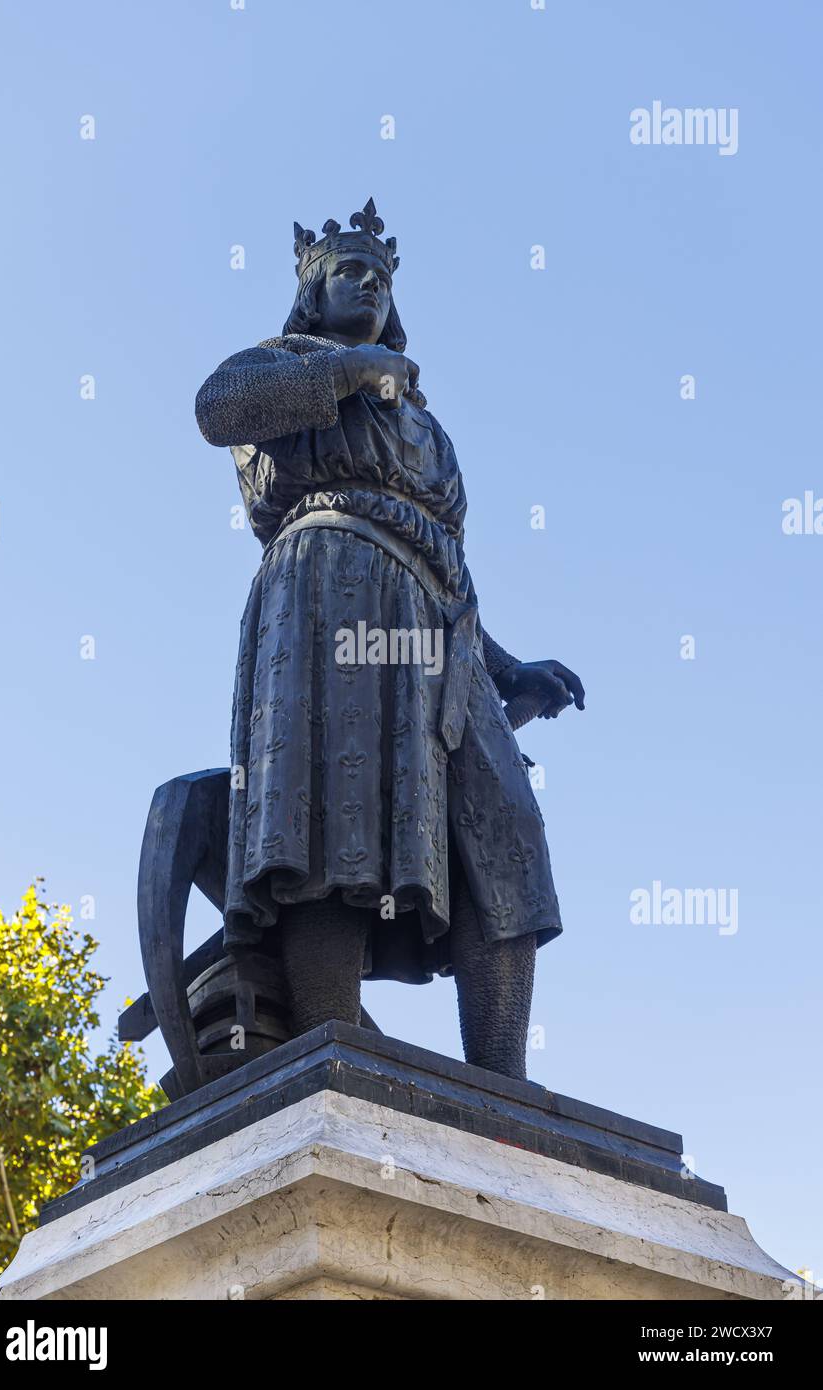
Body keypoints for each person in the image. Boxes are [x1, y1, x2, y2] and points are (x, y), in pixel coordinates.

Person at [195, 199, 584, 1079]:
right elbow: (217, 408)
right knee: (333, 815)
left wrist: (507, 664)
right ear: (311, 293)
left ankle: (502, 1083)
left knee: (505, 832)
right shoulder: (287, 366)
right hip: (325, 588)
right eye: (350, 273)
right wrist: (352, 369)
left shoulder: (426, 428)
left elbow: (445, 563)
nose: (368, 285)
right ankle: (330, 1046)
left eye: (381, 278)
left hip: (439, 629)